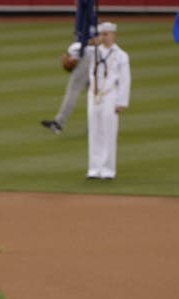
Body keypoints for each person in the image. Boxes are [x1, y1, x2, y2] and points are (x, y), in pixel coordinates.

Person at [86, 22, 131, 180]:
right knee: (94, 132)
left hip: (111, 96)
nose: (103, 37)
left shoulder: (121, 55)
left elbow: (125, 80)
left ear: (113, 35)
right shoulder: (93, 52)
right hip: (93, 95)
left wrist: (121, 102)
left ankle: (107, 170)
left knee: (109, 132)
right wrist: (89, 42)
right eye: (101, 34)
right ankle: (94, 169)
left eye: (106, 34)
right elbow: (75, 50)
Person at [40, 40, 93, 134]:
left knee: (73, 89)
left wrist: (73, 58)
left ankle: (58, 123)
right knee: (93, 92)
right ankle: (94, 126)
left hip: (87, 54)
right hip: (90, 54)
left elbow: (87, 38)